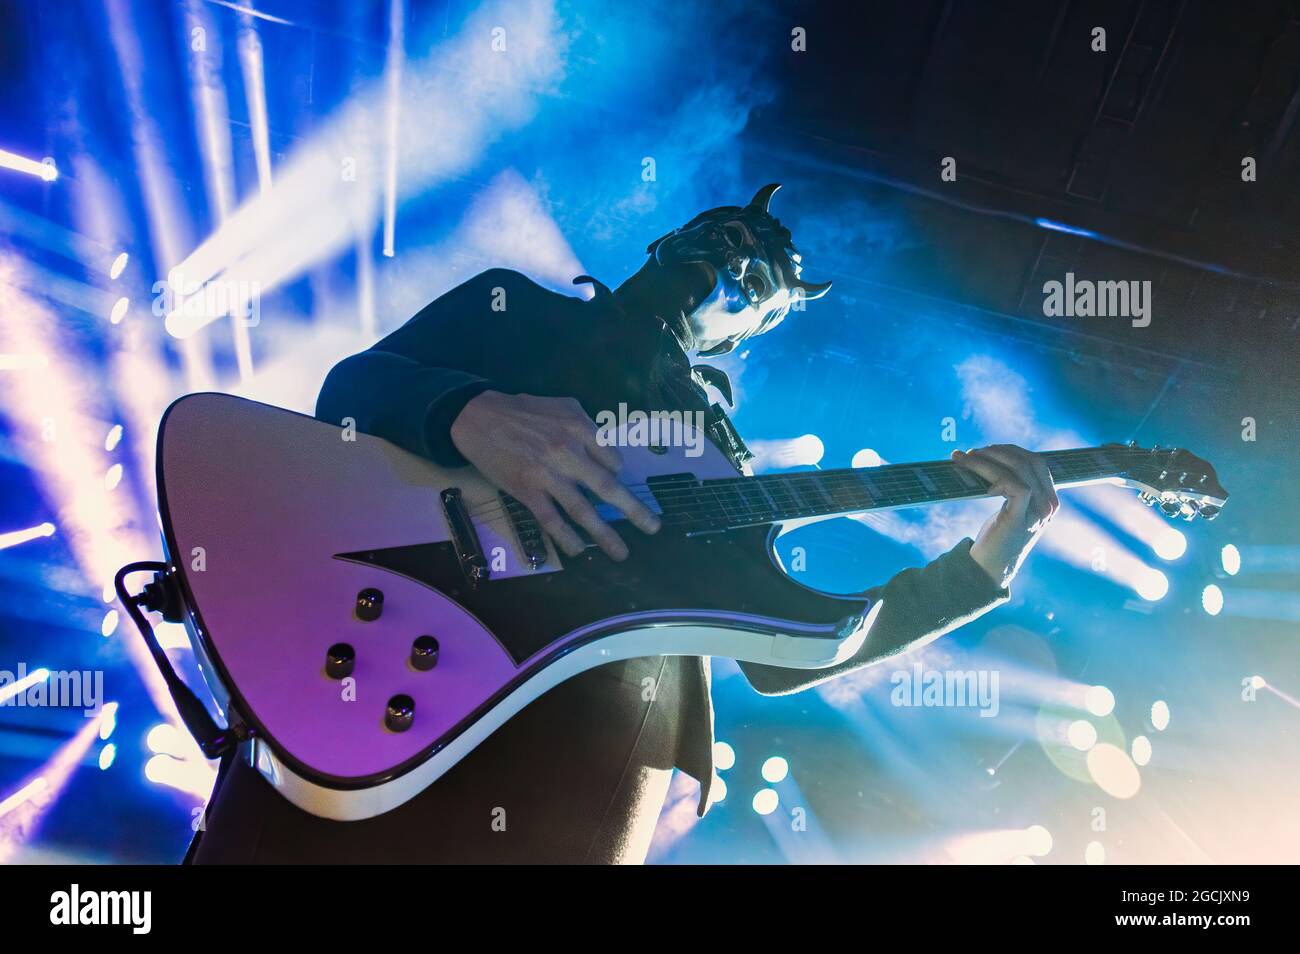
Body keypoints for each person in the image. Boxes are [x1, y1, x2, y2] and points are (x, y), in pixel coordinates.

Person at [189, 184, 1058, 864]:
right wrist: (466, 413)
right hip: (377, 664)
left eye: (757, 284)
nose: (731, 268)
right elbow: (347, 394)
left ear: (744, 335)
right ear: (665, 244)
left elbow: (782, 654)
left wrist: (985, 564)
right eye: (720, 242)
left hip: (583, 762)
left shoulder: (721, 456)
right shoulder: (516, 308)